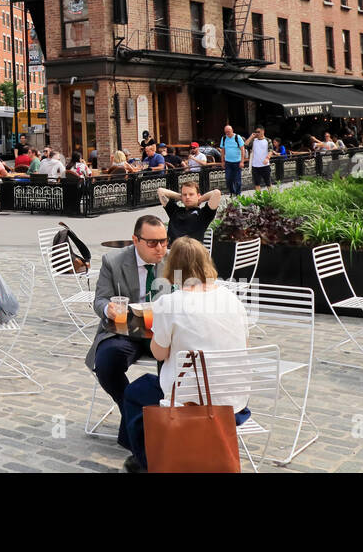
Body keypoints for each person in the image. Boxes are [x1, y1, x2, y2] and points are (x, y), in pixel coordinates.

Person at [119, 237, 250, 472]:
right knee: (149, 390)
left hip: (190, 401)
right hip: (234, 399)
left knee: (135, 392)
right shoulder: (232, 298)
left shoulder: (170, 302)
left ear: (173, 266)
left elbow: (159, 354)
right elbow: (244, 344)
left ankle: (149, 462)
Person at [84, 214, 169, 450]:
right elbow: (99, 300)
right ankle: (130, 410)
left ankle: (155, 422)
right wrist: (107, 309)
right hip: (125, 330)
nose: (160, 247)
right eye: (152, 242)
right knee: (106, 360)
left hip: (162, 332)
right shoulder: (114, 260)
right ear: (135, 240)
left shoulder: (172, 260)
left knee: (175, 365)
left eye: (163, 240)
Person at [157, 182, 221, 243]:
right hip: (171, 249)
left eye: (191, 194)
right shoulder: (175, 210)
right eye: (185, 194)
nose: (187, 197)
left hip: (190, 251)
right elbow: (160, 191)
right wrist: (181, 197)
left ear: (198, 195)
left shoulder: (204, 213)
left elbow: (216, 193)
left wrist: (200, 199)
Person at [219, 125, 246, 195]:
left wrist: (242, 161)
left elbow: (242, 149)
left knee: (237, 180)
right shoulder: (224, 138)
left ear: (232, 130)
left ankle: (238, 193)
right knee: (228, 179)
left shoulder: (237, 137)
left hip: (237, 162)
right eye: (226, 132)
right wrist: (222, 161)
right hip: (228, 162)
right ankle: (232, 192)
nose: (227, 133)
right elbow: (223, 150)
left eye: (229, 131)